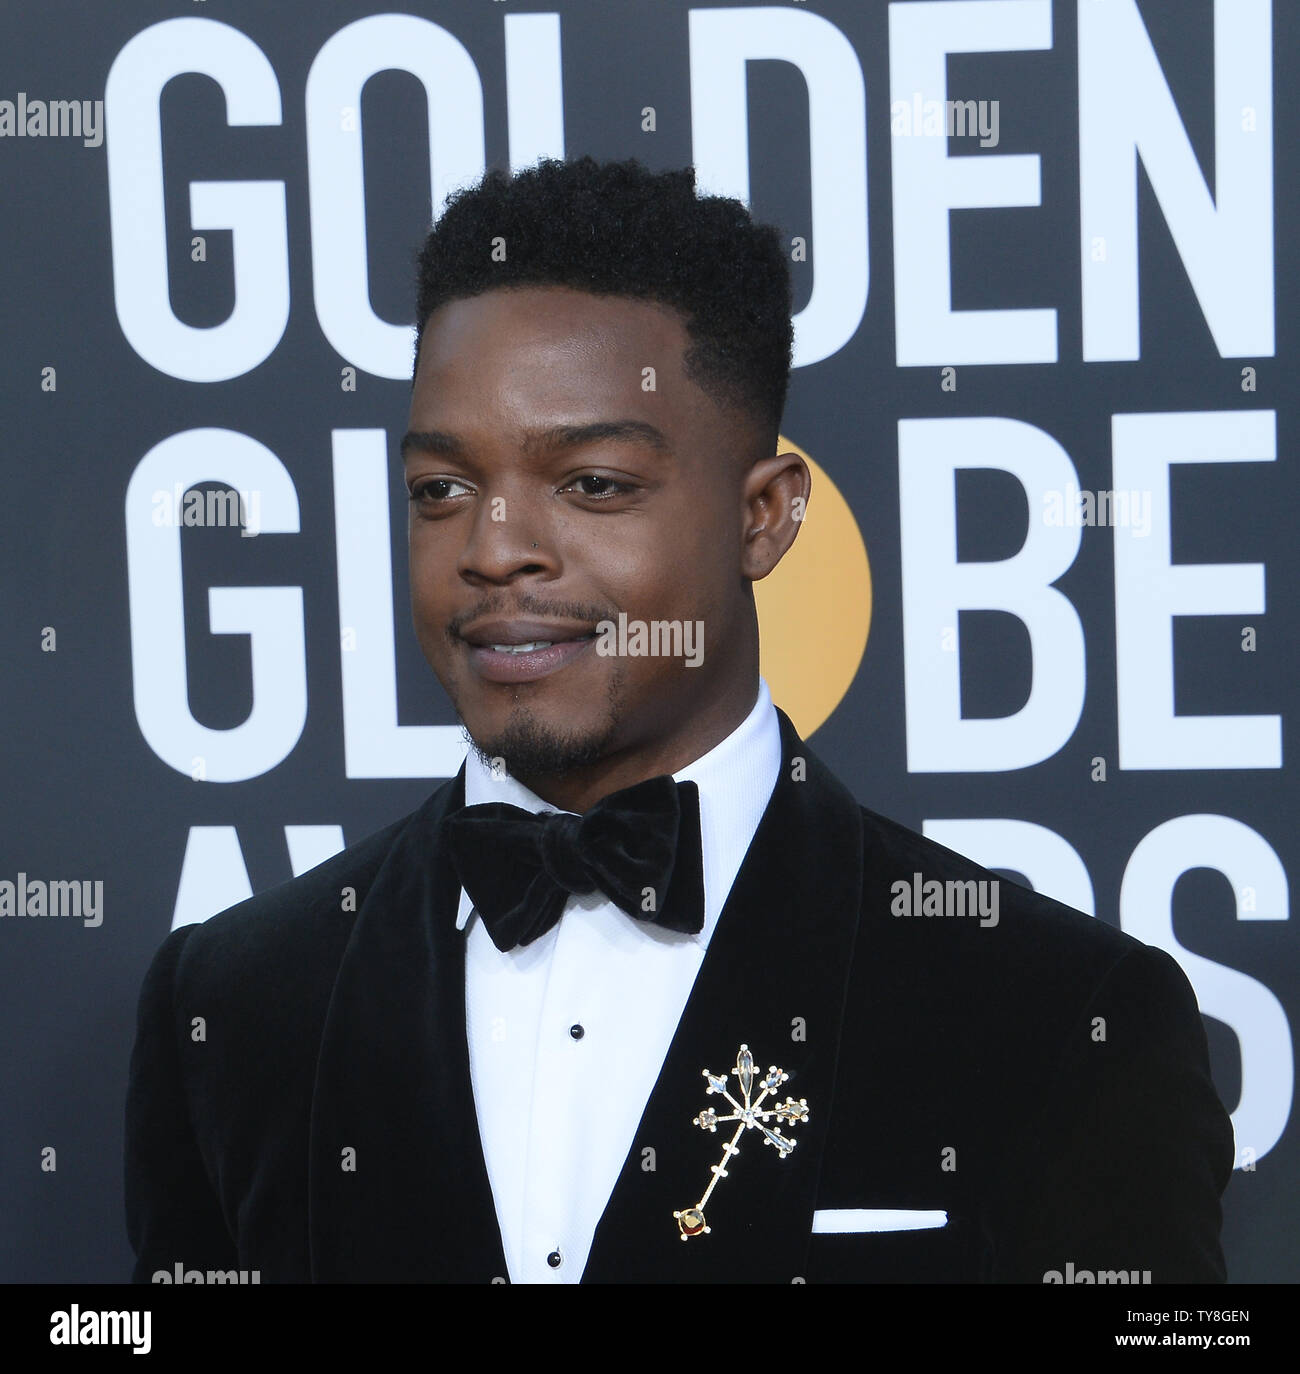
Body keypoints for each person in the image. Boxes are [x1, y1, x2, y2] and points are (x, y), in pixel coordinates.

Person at [125, 156, 1233, 1284]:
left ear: (763, 517)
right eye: (440, 490)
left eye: (593, 484)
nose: (493, 547)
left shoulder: (1060, 1020)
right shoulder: (232, 1009)